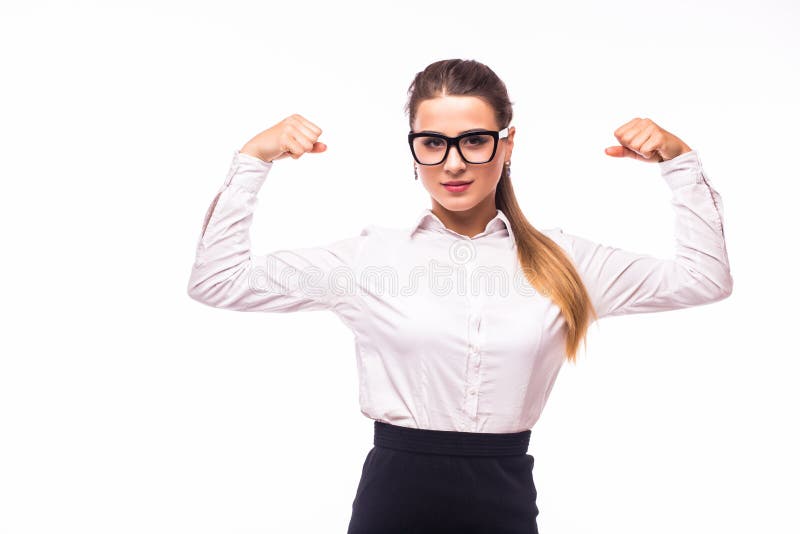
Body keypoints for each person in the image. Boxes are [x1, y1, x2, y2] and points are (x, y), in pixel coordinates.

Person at [186, 58, 733, 533]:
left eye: (474, 140)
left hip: (504, 498)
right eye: (433, 143)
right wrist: (253, 161)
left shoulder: (566, 261)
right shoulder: (369, 259)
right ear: (414, 149)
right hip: (394, 498)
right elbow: (218, 280)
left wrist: (679, 165)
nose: (452, 163)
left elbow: (704, 278)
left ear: (506, 143)